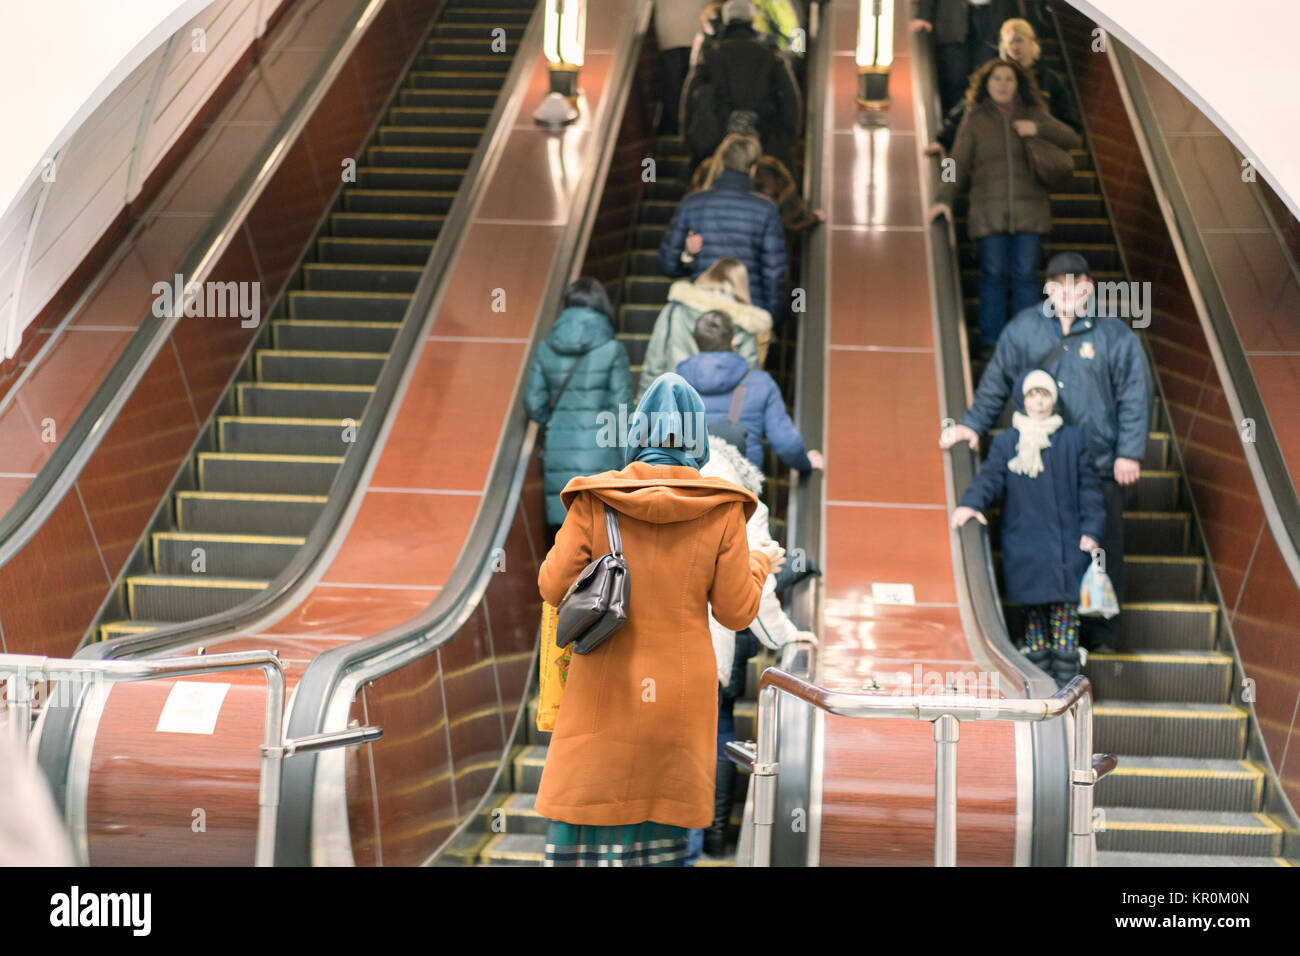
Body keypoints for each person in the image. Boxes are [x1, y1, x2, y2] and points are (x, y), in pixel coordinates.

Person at [535, 373, 784, 866]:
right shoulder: (723, 509)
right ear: (696, 439)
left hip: (603, 695)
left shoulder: (594, 499)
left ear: (637, 432)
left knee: (589, 816)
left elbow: (549, 586)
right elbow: (736, 611)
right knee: (662, 841)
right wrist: (759, 563)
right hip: (677, 700)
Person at [939, 252, 1153, 651]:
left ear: (1088, 288)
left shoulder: (1114, 334)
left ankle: (1100, 636)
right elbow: (996, 381)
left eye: (1076, 285)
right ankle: (1038, 638)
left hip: (1101, 463)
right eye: (1058, 285)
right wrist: (971, 425)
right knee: (1039, 549)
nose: (1067, 292)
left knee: (1102, 549)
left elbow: (1134, 394)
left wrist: (1130, 451)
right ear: (1047, 288)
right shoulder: (1024, 330)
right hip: (1040, 466)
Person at [694, 419, 815, 859]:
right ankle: (710, 838)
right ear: (742, 457)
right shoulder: (745, 502)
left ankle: (665, 844)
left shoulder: (670, 474)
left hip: (650, 646)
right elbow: (758, 593)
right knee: (718, 728)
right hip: (711, 642)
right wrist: (787, 637)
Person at [952, 370, 1105, 684]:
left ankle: (1065, 692)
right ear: (1023, 399)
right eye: (1033, 395)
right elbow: (991, 477)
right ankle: (1042, 693)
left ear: (1053, 400)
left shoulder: (1072, 440)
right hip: (1026, 546)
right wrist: (971, 503)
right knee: (1034, 621)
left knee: (1065, 623)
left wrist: (1092, 529)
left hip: (1065, 546)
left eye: (1045, 395)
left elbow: (1089, 489)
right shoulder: (1008, 442)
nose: (1039, 401)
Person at [929, 58, 1081, 356]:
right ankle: (992, 341)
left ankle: (1025, 342)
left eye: (1009, 79)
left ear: (1018, 84)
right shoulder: (975, 119)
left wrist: (1036, 128)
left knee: (1025, 276)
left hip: (1030, 213)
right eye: (996, 79)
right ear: (986, 84)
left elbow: (1072, 137)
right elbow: (955, 162)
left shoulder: (1034, 113)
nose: (1002, 84)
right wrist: (942, 198)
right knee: (993, 275)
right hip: (988, 213)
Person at [524, 278, 632, 541]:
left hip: (559, 449)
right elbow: (621, 411)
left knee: (565, 537)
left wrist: (556, 422)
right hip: (602, 453)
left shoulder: (545, 348)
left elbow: (533, 403)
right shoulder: (612, 349)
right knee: (602, 537)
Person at [676, 310, 824, 473]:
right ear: (733, 342)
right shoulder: (762, 383)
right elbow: (785, 443)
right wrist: (805, 463)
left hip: (691, 482)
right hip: (741, 484)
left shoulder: (675, 384)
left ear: (697, 343)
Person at [658, 135, 787, 318]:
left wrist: (687, 254)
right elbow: (774, 272)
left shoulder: (692, 203)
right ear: (752, 169)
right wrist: (770, 316)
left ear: (722, 164)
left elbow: (667, 265)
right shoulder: (766, 210)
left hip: (701, 310)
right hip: (747, 312)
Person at [927, 17, 1081, 155]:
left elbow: (1068, 125)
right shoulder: (994, 75)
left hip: (1039, 154)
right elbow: (968, 106)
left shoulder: (1050, 80)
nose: (1014, 46)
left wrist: (1039, 130)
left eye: (1019, 40)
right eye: (1009, 42)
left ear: (1031, 40)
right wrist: (943, 140)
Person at [680, 0, 802, 174]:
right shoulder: (771, 55)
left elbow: (689, 96)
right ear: (752, 21)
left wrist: (688, 138)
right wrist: (785, 138)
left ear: (726, 21)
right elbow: (791, 99)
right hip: (763, 145)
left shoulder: (710, 55)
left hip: (716, 147)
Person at [638, 258, 772, 399]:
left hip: (676, 401)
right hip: (724, 408)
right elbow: (749, 376)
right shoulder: (746, 323)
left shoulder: (675, 310)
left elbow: (654, 362)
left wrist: (644, 406)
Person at [688, 119, 824, 236]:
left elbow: (691, 213)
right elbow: (791, 214)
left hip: (712, 257)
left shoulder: (707, 168)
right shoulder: (771, 170)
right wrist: (813, 219)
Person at [910, 0, 1017, 114]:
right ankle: (957, 124)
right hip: (953, 16)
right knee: (955, 77)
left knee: (988, 78)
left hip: (991, 15)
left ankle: (984, 122)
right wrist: (923, 15)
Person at [655, 1, 709, 135]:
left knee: (672, 83)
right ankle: (693, 126)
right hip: (695, 31)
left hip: (669, 33)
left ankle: (674, 126)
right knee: (695, 83)